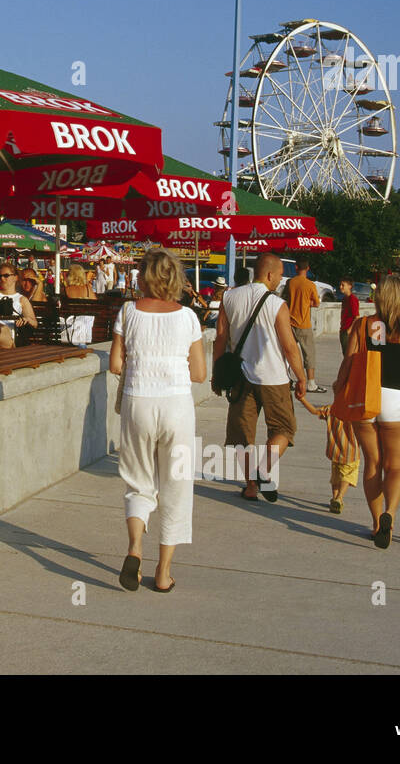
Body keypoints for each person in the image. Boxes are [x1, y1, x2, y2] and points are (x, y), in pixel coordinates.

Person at [110, 249, 206, 594]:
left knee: (138, 482)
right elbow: (199, 373)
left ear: (143, 278)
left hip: (139, 402)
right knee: (176, 486)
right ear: (175, 279)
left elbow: (116, 365)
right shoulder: (188, 318)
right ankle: (163, 573)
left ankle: (135, 548)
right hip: (176, 406)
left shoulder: (128, 311)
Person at [336, 274, 400, 549]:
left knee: (373, 465)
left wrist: (338, 390)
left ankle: (377, 523)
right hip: (396, 402)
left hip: (367, 397)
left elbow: (350, 362)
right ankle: (391, 513)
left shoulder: (367, 325)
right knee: (395, 466)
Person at [215, 252, 308, 503]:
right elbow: (289, 347)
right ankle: (264, 471)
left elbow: (221, 337)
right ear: (268, 274)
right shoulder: (277, 304)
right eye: (279, 275)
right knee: (285, 429)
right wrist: (301, 377)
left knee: (242, 434)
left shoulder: (229, 297)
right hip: (273, 377)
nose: (280, 280)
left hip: (240, 376)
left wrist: (217, 371)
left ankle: (251, 487)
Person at [286, 259, 325, 392]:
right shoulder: (310, 285)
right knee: (309, 353)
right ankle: (311, 383)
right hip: (304, 323)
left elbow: (284, 300)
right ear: (308, 269)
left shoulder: (290, 282)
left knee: (287, 352)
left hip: (289, 323)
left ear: (296, 267)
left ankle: (287, 379)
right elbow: (316, 303)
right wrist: (306, 303)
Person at [0, 265, 39, 341]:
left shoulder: (21, 299)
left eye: (6, 276)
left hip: (8, 337)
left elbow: (35, 323)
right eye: (0, 276)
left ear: (15, 277)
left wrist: (27, 319)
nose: (2, 278)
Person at [338, 277, 360, 356]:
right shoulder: (344, 299)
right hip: (343, 330)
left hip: (348, 333)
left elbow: (357, 317)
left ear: (350, 286)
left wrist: (349, 331)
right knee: (345, 356)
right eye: (340, 284)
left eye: (343, 285)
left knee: (349, 358)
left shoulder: (352, 299)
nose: (340, 287)